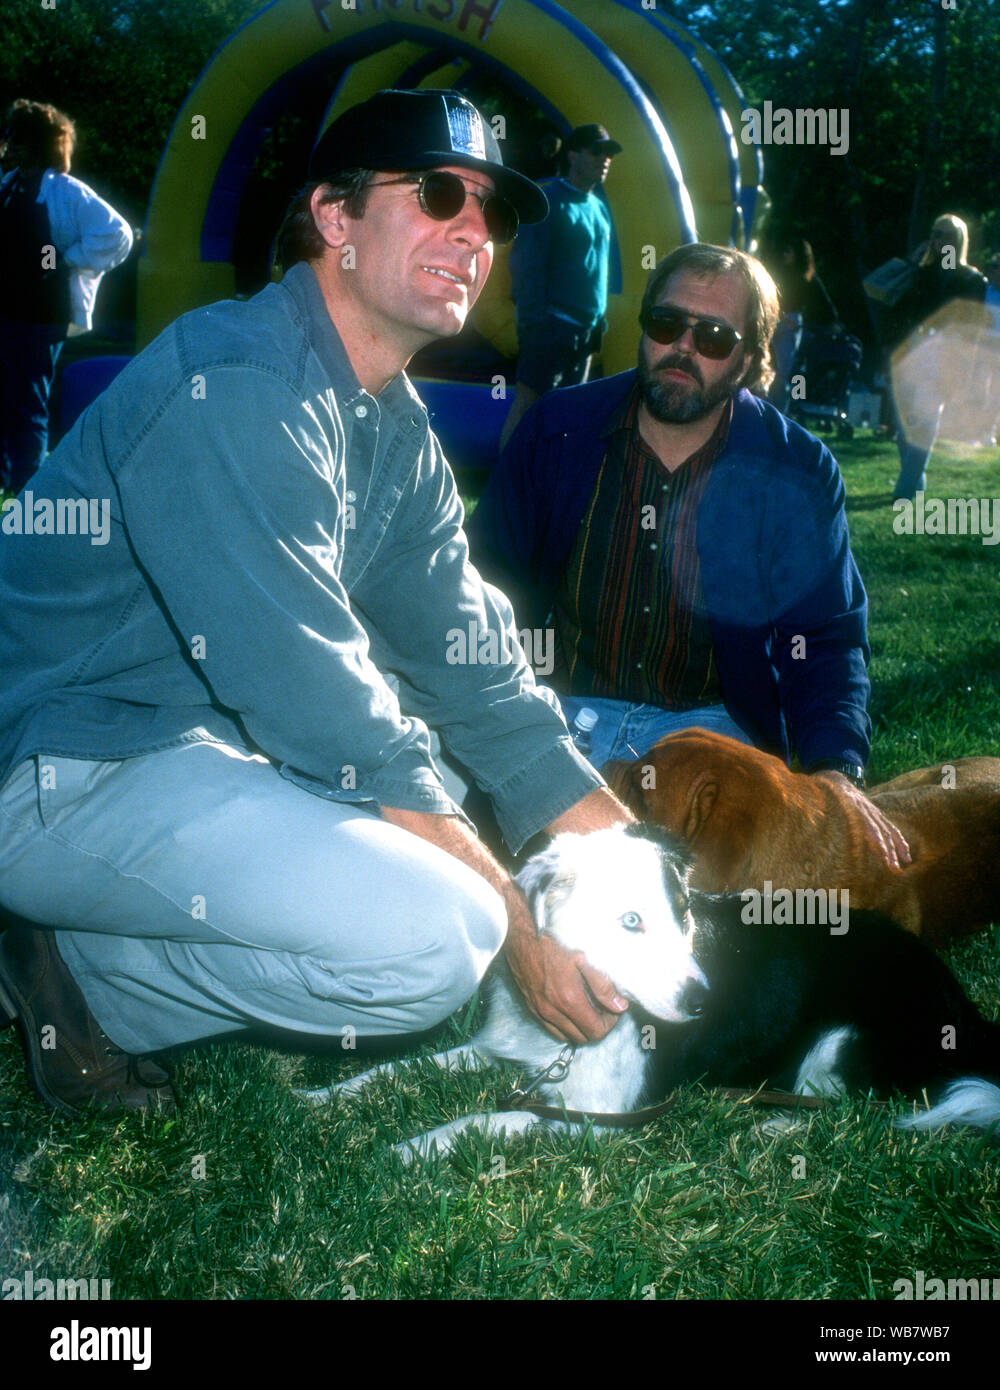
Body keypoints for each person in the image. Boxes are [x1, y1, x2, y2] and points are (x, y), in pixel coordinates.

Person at [0, 89, 637, 1119]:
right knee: (443, 934)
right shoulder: (240, 382)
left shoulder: (393, 426)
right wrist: (521, 927)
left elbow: (478, 673)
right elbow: (319, 701)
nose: (473, 230)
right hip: (51, 761)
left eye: (497, 213)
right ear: (334, 219)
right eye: (438, 194)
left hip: (184, 756)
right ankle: (88, 981)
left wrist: (640, 867)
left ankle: (69, 957)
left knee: (438, 850)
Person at [468, 242, 910, 870]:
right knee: (502, 884)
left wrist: (834, 768)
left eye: (714, 337)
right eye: (667, 325)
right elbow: (483, 588)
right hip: (558, 713)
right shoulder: (557, 430)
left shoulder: (795, 468)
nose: (683, 349)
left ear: (753, 359)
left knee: (737, 911)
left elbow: (826, 637)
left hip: (711, 732)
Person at [0, 99, 133, 494]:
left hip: (39, 310)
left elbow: (118, 234)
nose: (10, 144)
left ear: (36, 143)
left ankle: (27, 490)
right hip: (6, 304)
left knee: (27, 402)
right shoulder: (8, 186)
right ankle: (6, 483)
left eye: (17, 137)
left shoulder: (62, 191)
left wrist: (66, 258)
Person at [498, 122, 622, 451]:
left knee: (569, 413)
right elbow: (525, 266)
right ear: (572, 154)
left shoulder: (599, 208)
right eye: (596, 151)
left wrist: (598, 323)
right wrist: (535, 323)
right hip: (550, 326)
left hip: (585, 333)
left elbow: (597, 272)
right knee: (528, 407)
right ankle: (505, 482)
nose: (605, 159)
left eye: (609, 154)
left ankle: (545, 489)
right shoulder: (548, 199)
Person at [887, 213, 988, 500]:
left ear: (958, 240)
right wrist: (913, 265)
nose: (938, 239)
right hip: (915, 348)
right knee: (903, 422)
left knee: (925, 422)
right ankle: (916, 482)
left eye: (945, 235)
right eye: (935, 233)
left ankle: (905, 490)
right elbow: (893, 300)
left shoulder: (971, 279)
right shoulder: (923, 273)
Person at [763, 235, 838, 412]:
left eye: (788, 251)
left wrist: (803, 324)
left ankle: (785, 409)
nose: (784, 254)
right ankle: (773, 407)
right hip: (776, 322)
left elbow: (827, 309)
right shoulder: (777, 273)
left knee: (787, 373)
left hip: (792, 328)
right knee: (770, 368)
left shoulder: (808, 279)